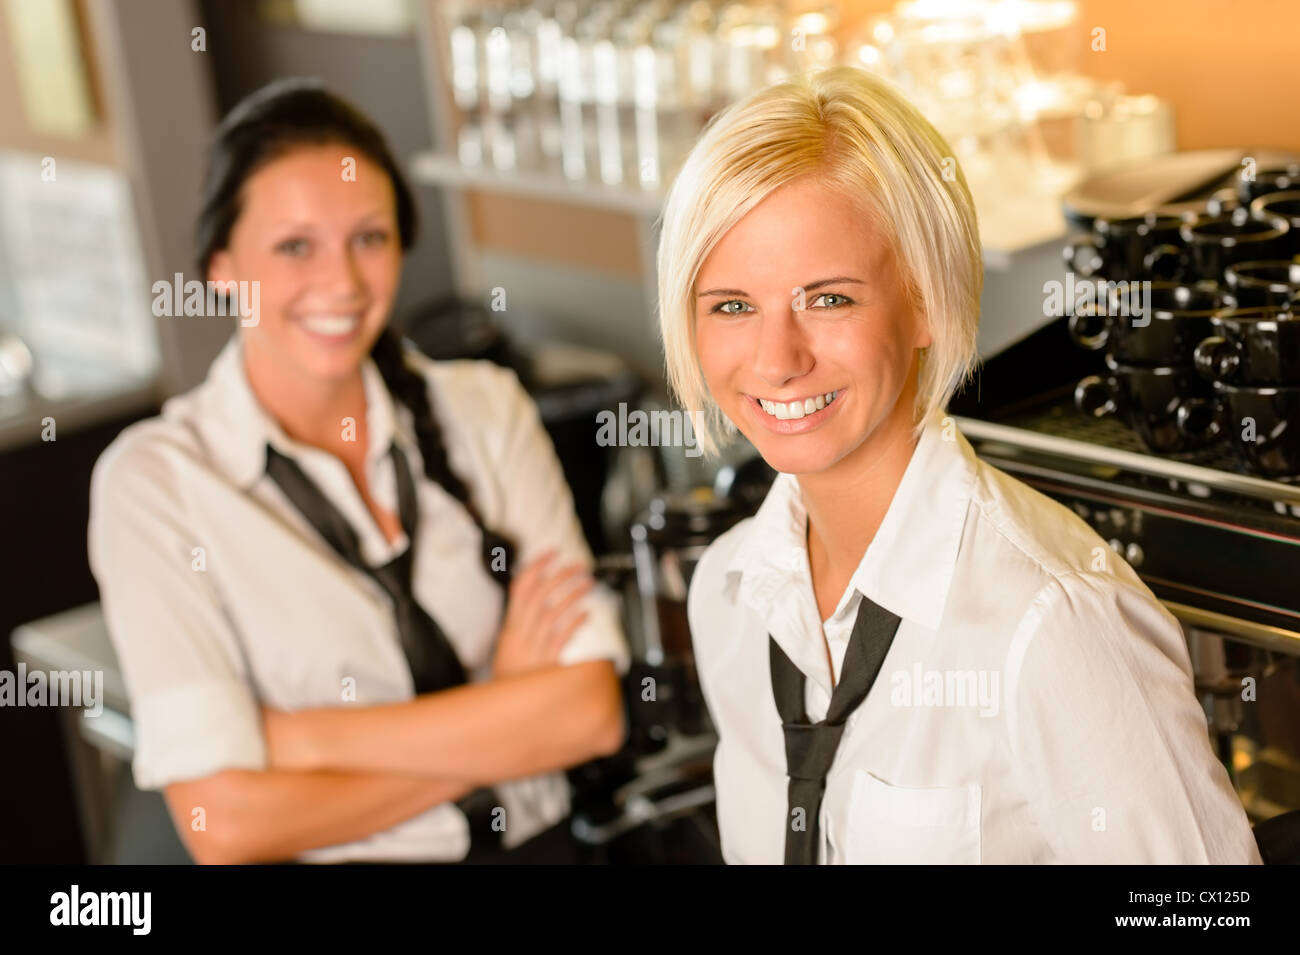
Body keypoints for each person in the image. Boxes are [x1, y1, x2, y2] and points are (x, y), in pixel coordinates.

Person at [658, 66, 1261, 864]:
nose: (777, 359)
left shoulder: (1052, 623)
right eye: (732, 305)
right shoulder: (728, 596)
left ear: (926, 305)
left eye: (828, 298)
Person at [88, 78, 628, 864]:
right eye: (295, 246)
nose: (341, 283)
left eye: (369, 239)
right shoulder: (155, 485)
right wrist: (499, 715)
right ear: (220, 267)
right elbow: (225, 825)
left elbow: (588, 714)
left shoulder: (485, 408)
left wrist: (305, 743)